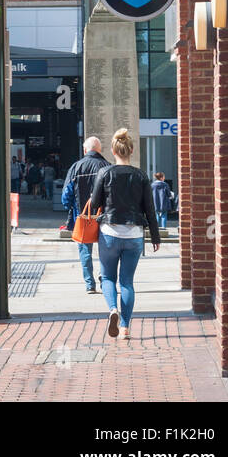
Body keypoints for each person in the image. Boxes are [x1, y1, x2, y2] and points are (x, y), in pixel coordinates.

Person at [89, 128, 161, 341]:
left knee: (108, 277)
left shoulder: (105, 173)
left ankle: (112, 309)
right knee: (127, 282)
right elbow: (150, 209)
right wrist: (155, 237)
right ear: (131, 150)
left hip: (109, 232)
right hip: (134, 235)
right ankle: (125, 327)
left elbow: (94, 204)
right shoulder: (141, 176)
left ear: (113, 150)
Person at [62, 136, 110, 293]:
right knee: (106, 251)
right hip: (104, 218)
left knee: (85, 251)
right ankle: (105, 280)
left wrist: (71, 207)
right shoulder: (107, 166)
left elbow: (66, 196)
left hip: (82, 217)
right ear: (99, 149)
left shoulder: (76, 167)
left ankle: (90, 284)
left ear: (85, 150)